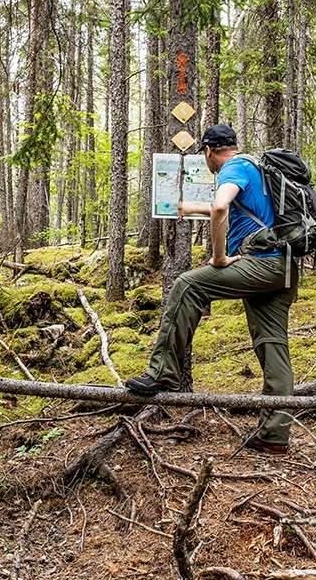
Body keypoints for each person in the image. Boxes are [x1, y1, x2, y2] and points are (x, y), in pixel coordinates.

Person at [125, 123, 298, 454]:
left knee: (187, 285)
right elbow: (232, 209)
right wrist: (191, 208)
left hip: (260, 263)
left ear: (208, 152)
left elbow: (221, 206)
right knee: (273, 344)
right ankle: (274, 435)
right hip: (284, 268)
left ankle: (164, 372)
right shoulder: (256, 168)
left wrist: (218, 259)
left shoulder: (232, 167)